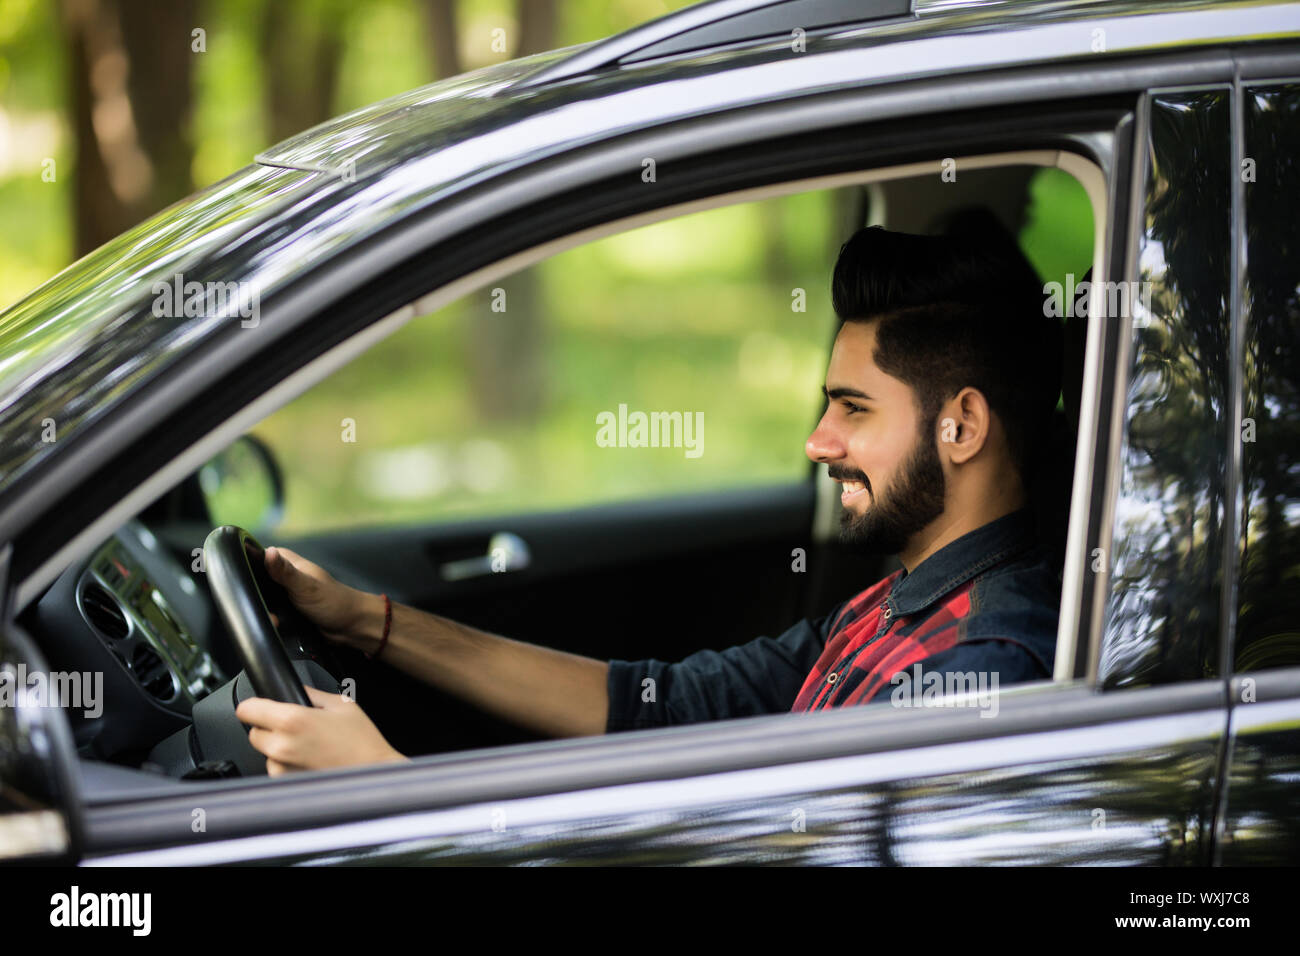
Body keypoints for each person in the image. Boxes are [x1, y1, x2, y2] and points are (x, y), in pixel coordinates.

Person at [234, 223, 1065, 775]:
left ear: (961, 427)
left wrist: (383, 792)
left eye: (852, 408)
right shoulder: (902, 604)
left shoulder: (981, 667)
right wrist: (369, 624)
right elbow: (651, 703)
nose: (817, 441)